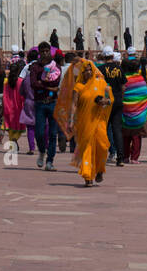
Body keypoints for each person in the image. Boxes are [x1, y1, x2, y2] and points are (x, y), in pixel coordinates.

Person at [55, 57, 112, 186]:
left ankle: (99, 170)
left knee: (103, 147)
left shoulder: (101, 83)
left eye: (90, 70)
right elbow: (74, 105)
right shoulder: (78, 87)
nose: (88, 73)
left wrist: (105, 101)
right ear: (81, 73)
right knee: (87, 148)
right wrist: (70, 121)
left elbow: (109, 98)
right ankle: (88, 176)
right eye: (85, 71)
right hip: (84, 122)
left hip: (98, 122)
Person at [31, 41, 62, 171]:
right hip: (40, 103)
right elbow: (33, 83)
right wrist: (47, 86)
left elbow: (56, 80)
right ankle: (42, 151)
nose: (44, 53)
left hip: (53, 103)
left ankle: (50, 161)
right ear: (39, 53)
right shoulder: (35, 67)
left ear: (50, 51)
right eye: (42, 51)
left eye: (46, 51)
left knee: (53, 133)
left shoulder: (56, 65)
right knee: (39, 132)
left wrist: (42, 83)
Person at [120, 56, 147, 163]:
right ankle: (135, 158)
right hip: (139, 114)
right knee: (136, 136)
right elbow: (145, 95)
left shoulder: (124, 79)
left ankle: (125, 157)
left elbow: (121, 94)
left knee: (125, 136)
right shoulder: (141, 79)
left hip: (126, 113)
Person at [101, 52, 126, 167]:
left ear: (104, 57)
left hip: (105, 102)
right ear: (112, 56)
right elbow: (123, 87)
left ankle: (103, 154)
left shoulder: (100, 69)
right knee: (117, 130)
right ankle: (120, 158)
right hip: (117, 101)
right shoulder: (119, 69)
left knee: (103, 129)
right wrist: (120, 98)